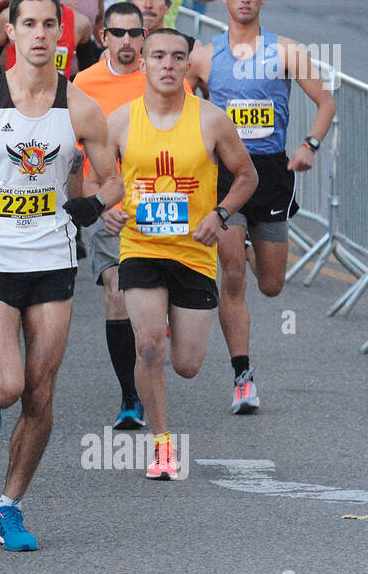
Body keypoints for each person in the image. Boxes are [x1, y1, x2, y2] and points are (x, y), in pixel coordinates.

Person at [0, 0, 123, 549]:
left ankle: (8, 508)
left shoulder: (81, 107)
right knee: (7, 387)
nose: (41, 35)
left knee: (40, 395)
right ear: (10, 33)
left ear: (60, 35)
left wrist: (97, 201)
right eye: (30, 25)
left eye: (50, 25)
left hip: (53, 264)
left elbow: (114, 178)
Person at [103, 28, 256, 478]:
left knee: (187, 365)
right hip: (141, 248)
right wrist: (107, 208)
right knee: (149, 347)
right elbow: (92, 180)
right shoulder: (119, 121)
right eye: (158, 56)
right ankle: (162, 446)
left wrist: (221, 215)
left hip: (193, 253)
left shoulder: (211, 120)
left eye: (177, 57)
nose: (167, 64)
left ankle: (167, 324)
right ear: (144, 65)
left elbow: (246, 176)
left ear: (189, 65)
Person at [186, 0, 335, 414]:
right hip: (228, 175)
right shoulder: (204, 56)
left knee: (270, 284)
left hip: (272, 174)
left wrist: (309, 144)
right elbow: (185, 109)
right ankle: (242, 378)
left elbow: (325, 100)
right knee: (231, 274)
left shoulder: (286, 50)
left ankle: (249, 244)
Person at [73, 2, 152, 428]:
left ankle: (153, 349)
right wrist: (88, 209)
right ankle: (130, 396)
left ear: (144, 36)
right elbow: (70, 151)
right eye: (117, 33)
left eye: (134, 33)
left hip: (161, 210)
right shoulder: (83, 83)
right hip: (111, 209)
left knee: (156, 312)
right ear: (104, 37)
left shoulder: (162, 77)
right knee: (118, 292)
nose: (126, 41)